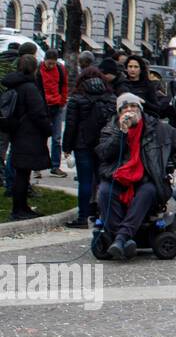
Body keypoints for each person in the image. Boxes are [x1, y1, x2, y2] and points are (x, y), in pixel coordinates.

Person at [94, 92, 176, 258]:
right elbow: (104, 154)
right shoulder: (110, 129)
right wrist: (121, 133)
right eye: (125, 108)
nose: (130, 110)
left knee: (147, 191)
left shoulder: (158, 127)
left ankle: (121, 238)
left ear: (140, 109)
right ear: (119, 112)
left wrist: (168, 164)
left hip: (147, 177)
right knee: (104, 191)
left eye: (133, 106)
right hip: (118, 177)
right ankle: (123, 239)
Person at [60, 67, 118, 228]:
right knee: (103, 181)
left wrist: (66, 147)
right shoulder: (110, 98)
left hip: (82, 144)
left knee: (84, 182)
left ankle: (82, 217)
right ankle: (103, 215)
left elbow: (71, 125)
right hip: (104, 144)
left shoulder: (77, 98)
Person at [2, 54, 51, 220]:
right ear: (34, 69)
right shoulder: (29, 87)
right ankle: (19, 209)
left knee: (21, 172)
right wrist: (48, 129)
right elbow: (38, 113)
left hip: (17, 132)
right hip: (29, 134)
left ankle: (21, 207)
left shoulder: (13, 85)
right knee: (23, 174)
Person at [37, 48, 69, 177]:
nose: (51, 66)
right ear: (44, 60)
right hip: (43, 106)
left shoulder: (60, 69)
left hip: (56, 105)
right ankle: (37, 166)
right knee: (40, 138)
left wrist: (62, 100)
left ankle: (55, 166)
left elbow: (64, 85)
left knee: (56, 138)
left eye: (53, 63)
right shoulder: (38, 71)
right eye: (49, 63)